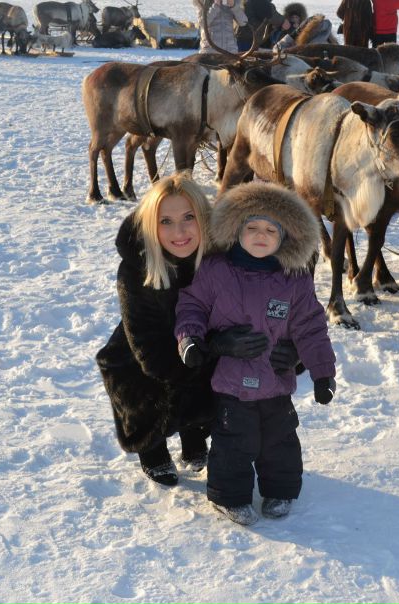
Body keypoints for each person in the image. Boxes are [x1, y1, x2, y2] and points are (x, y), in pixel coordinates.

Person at [96, 173, 299, 487]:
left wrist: (291, 349)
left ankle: (194, 433)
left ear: (204, 218)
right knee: (146, 387)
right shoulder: (137, 270)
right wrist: (215, 346)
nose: (179, 232)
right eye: (166, 221)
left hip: (203, 352)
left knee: (237, 377)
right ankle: (152, 447)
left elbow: (276, 308)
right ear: (151, 225)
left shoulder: (229, 259)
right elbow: (153, 357)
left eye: (188, 217)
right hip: (145, 358)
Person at [175, 183, 337, 526]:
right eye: (252, 227)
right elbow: (192, 306)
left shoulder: (294, 279)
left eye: (270, 230)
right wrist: (190, 340)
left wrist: (322, 372)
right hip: (231, 382)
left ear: (285, 237)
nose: (261, 235)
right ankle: (229, 496)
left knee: (281, 439)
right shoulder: (215, 270)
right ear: (236, 229)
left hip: (276, 382)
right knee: (234, 441)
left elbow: (310, 326)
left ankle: (280, 490)